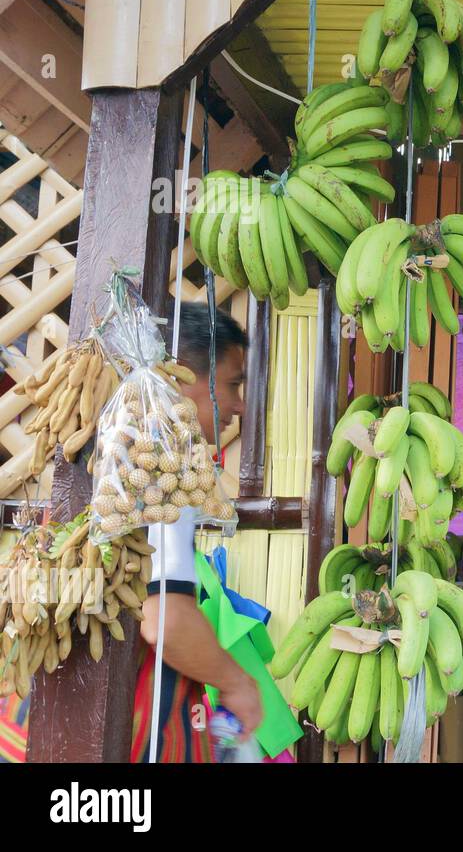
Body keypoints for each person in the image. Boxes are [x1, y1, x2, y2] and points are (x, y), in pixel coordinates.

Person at [130, 301, 257, 762]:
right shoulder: (166, 466)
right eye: (231, 384)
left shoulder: (114, 446)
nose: (239, 405)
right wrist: (237, 683)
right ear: (183, 376)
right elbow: (166, 619)